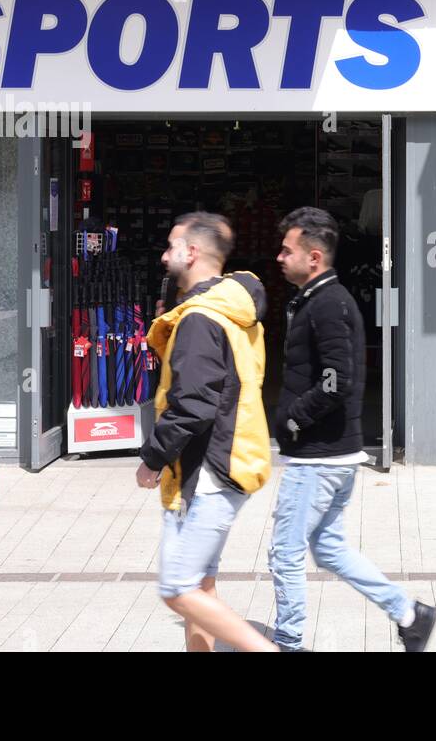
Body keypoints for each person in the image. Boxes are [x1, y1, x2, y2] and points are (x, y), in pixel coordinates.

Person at [272, 206, 436, 653]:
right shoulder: (319, 299)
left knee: (284, 554)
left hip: (319, 457)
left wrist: (292, 419)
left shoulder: (329, 303)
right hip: (332, 454)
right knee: (329, 549)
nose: (279, 257)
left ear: (314, 256)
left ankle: (288, 642)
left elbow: (337, 379)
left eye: (287, 250)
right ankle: (410, 614)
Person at [136, 212, 277, 653]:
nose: (164, 255)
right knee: (200, 587)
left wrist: (152, 457)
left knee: (177, 588)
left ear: (191, 252)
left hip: (209, 471)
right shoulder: (229, 307)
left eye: (170, 245)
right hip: (220, 464)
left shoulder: (200, 319)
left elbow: (194, 404)